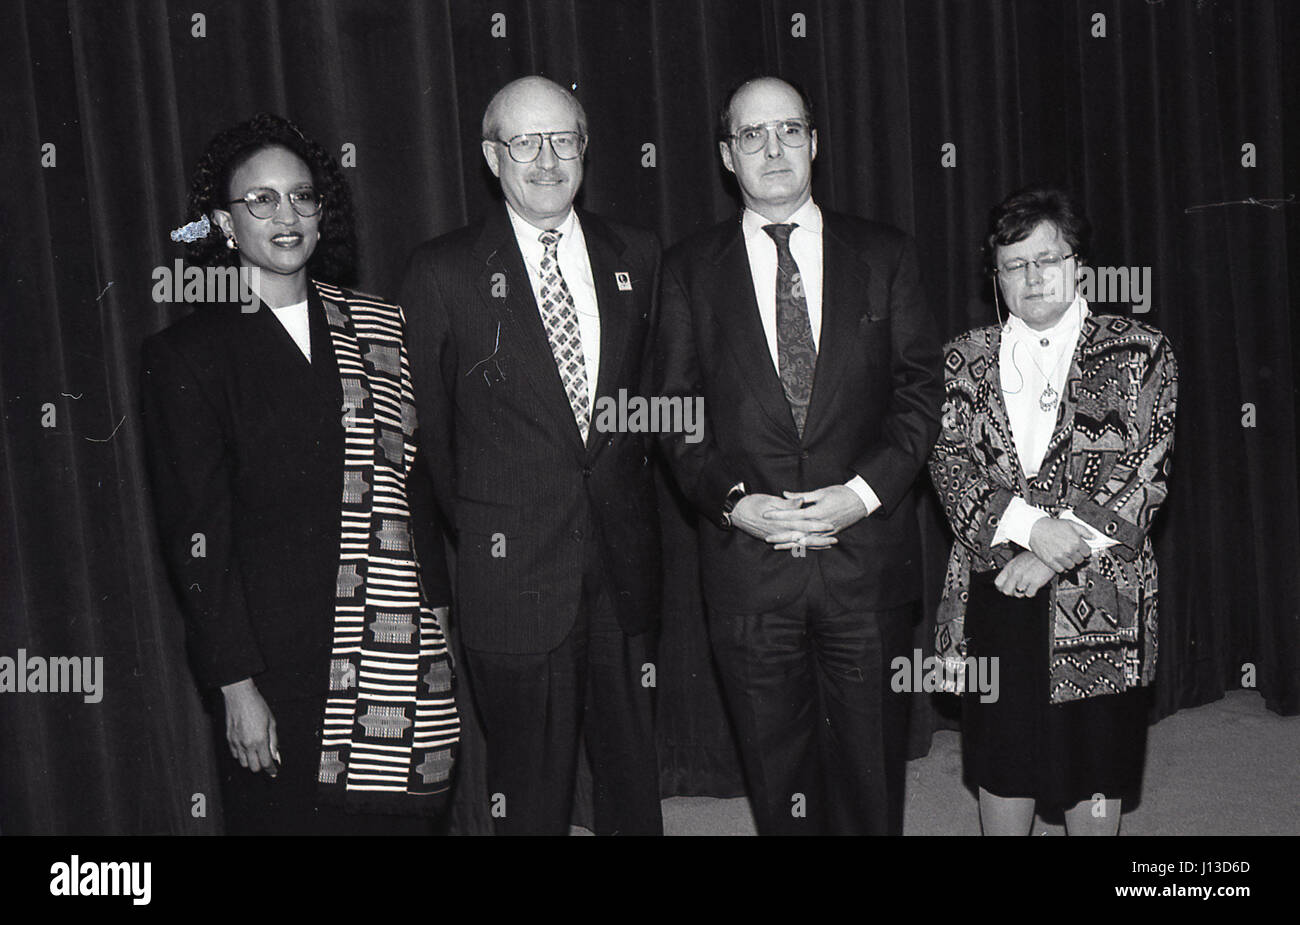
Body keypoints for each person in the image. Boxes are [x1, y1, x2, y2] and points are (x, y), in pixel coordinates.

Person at [141, 113, 458, 835]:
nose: (286, 216)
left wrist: (435, 618)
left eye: (302, 196)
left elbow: (415, 495)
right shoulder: (187, 356)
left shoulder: (380, 325)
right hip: (275, 666)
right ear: (224, 223)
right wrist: (235, 684)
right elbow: (196, 539)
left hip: (393, 647)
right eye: (261, 200)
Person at [655, 77, 943, 835]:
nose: (773, 148)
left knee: (872, 778)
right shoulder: (688, 269)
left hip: (865, 560)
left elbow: (921, 392)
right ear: (728, 156)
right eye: (752, 135)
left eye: (788, 130)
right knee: (779, 782)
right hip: (750, 568)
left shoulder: (885, 253)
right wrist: (733, 502)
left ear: (814, 141)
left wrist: (864, 493)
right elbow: (675, 412)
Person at [399, 76, 663, 835]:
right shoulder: (441, 271)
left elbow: (644, 404)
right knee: (531, 801)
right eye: (525, 142)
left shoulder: (637, 254)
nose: (546, 159)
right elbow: (430, 441)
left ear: (583, 148)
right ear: (492, 156)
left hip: (624, 571)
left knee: (633, 794)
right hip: (511, 577)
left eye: (563, 139)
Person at [929, 186, 1178, 835]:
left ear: (1079, 266)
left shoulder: (1139, 350)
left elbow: (1146, 470)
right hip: (994, 587)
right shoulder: (963, 357)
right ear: (996, 277)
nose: (1033, 276)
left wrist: (1055, 548)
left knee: (1095, 770)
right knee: (1001, 762)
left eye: (1048, 258)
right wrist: (1028, 528)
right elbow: (949, 463)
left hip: (1102, 595)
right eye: (1015, 264)